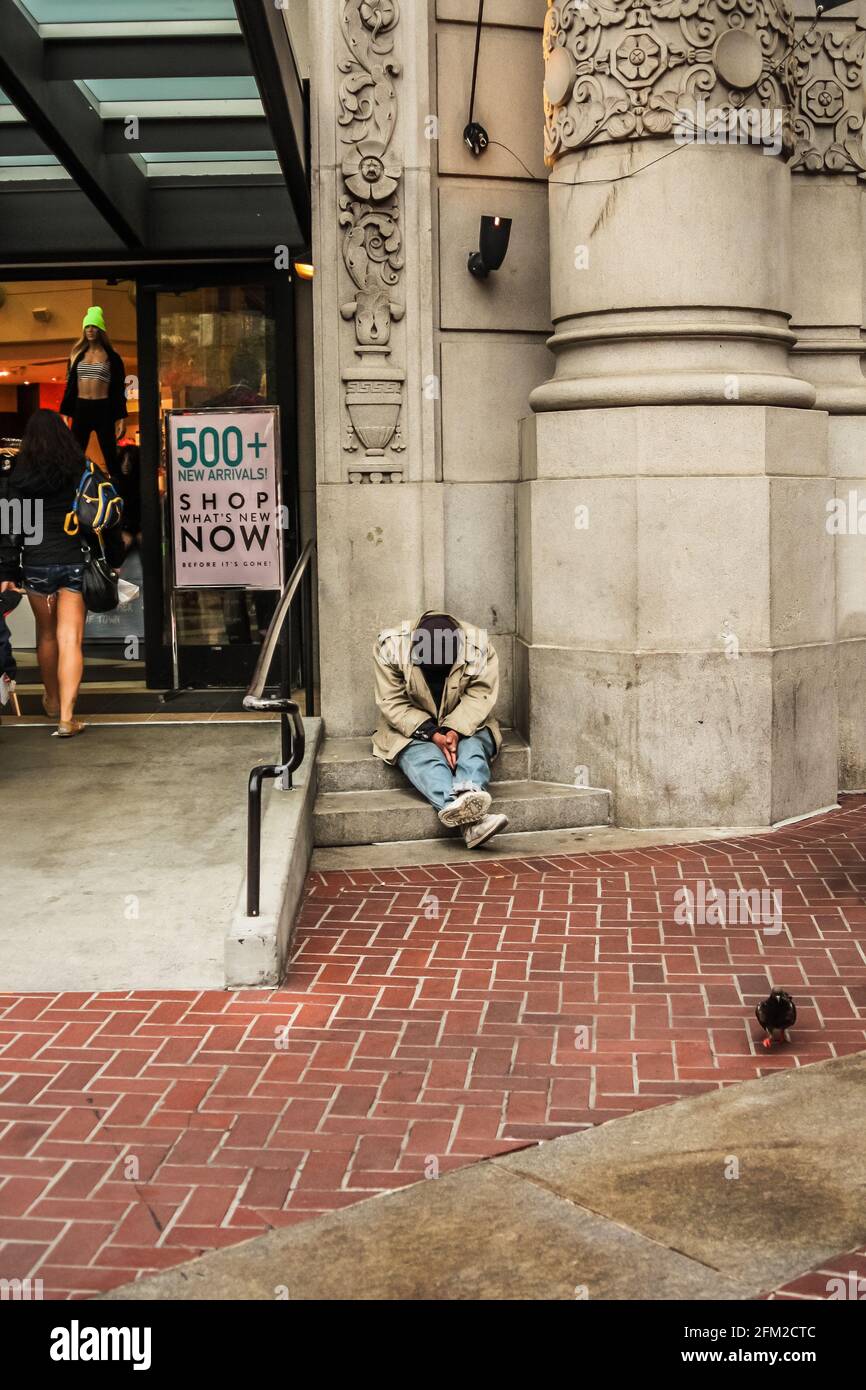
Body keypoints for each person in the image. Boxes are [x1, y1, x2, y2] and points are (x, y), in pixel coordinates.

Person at [372, 611, 509, 849]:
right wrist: (432, 733)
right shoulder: (390, 647)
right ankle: (472, 820)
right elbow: (392, 701)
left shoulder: (478, 646)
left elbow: (479, 696)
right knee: (422, 757)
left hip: (468, 722)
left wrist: (453, 730)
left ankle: (467, 805)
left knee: (473, 748)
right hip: (407, 727)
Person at [0, 410, 92, 738]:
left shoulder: (20, 475)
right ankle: (67, 717)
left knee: (47, 635)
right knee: (71, 639)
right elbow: (98, 514)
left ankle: (52, 700)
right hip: (72, 560)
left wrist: (8, 570)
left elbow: (12, 528)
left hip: (36, 563)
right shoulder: (79, 468)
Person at [60, 306, 127, 480]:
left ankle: (119, 496)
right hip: (81, 407)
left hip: (102, 407)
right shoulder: (77, 355)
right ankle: (71, 494)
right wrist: (65, 412)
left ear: (101, 329)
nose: (90, 330)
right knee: (74, 456)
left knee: (111, 457)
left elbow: (119, 388)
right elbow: (71, 385)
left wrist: (121, 417)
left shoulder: (111, 357)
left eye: (94, 326)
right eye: (87, 326)